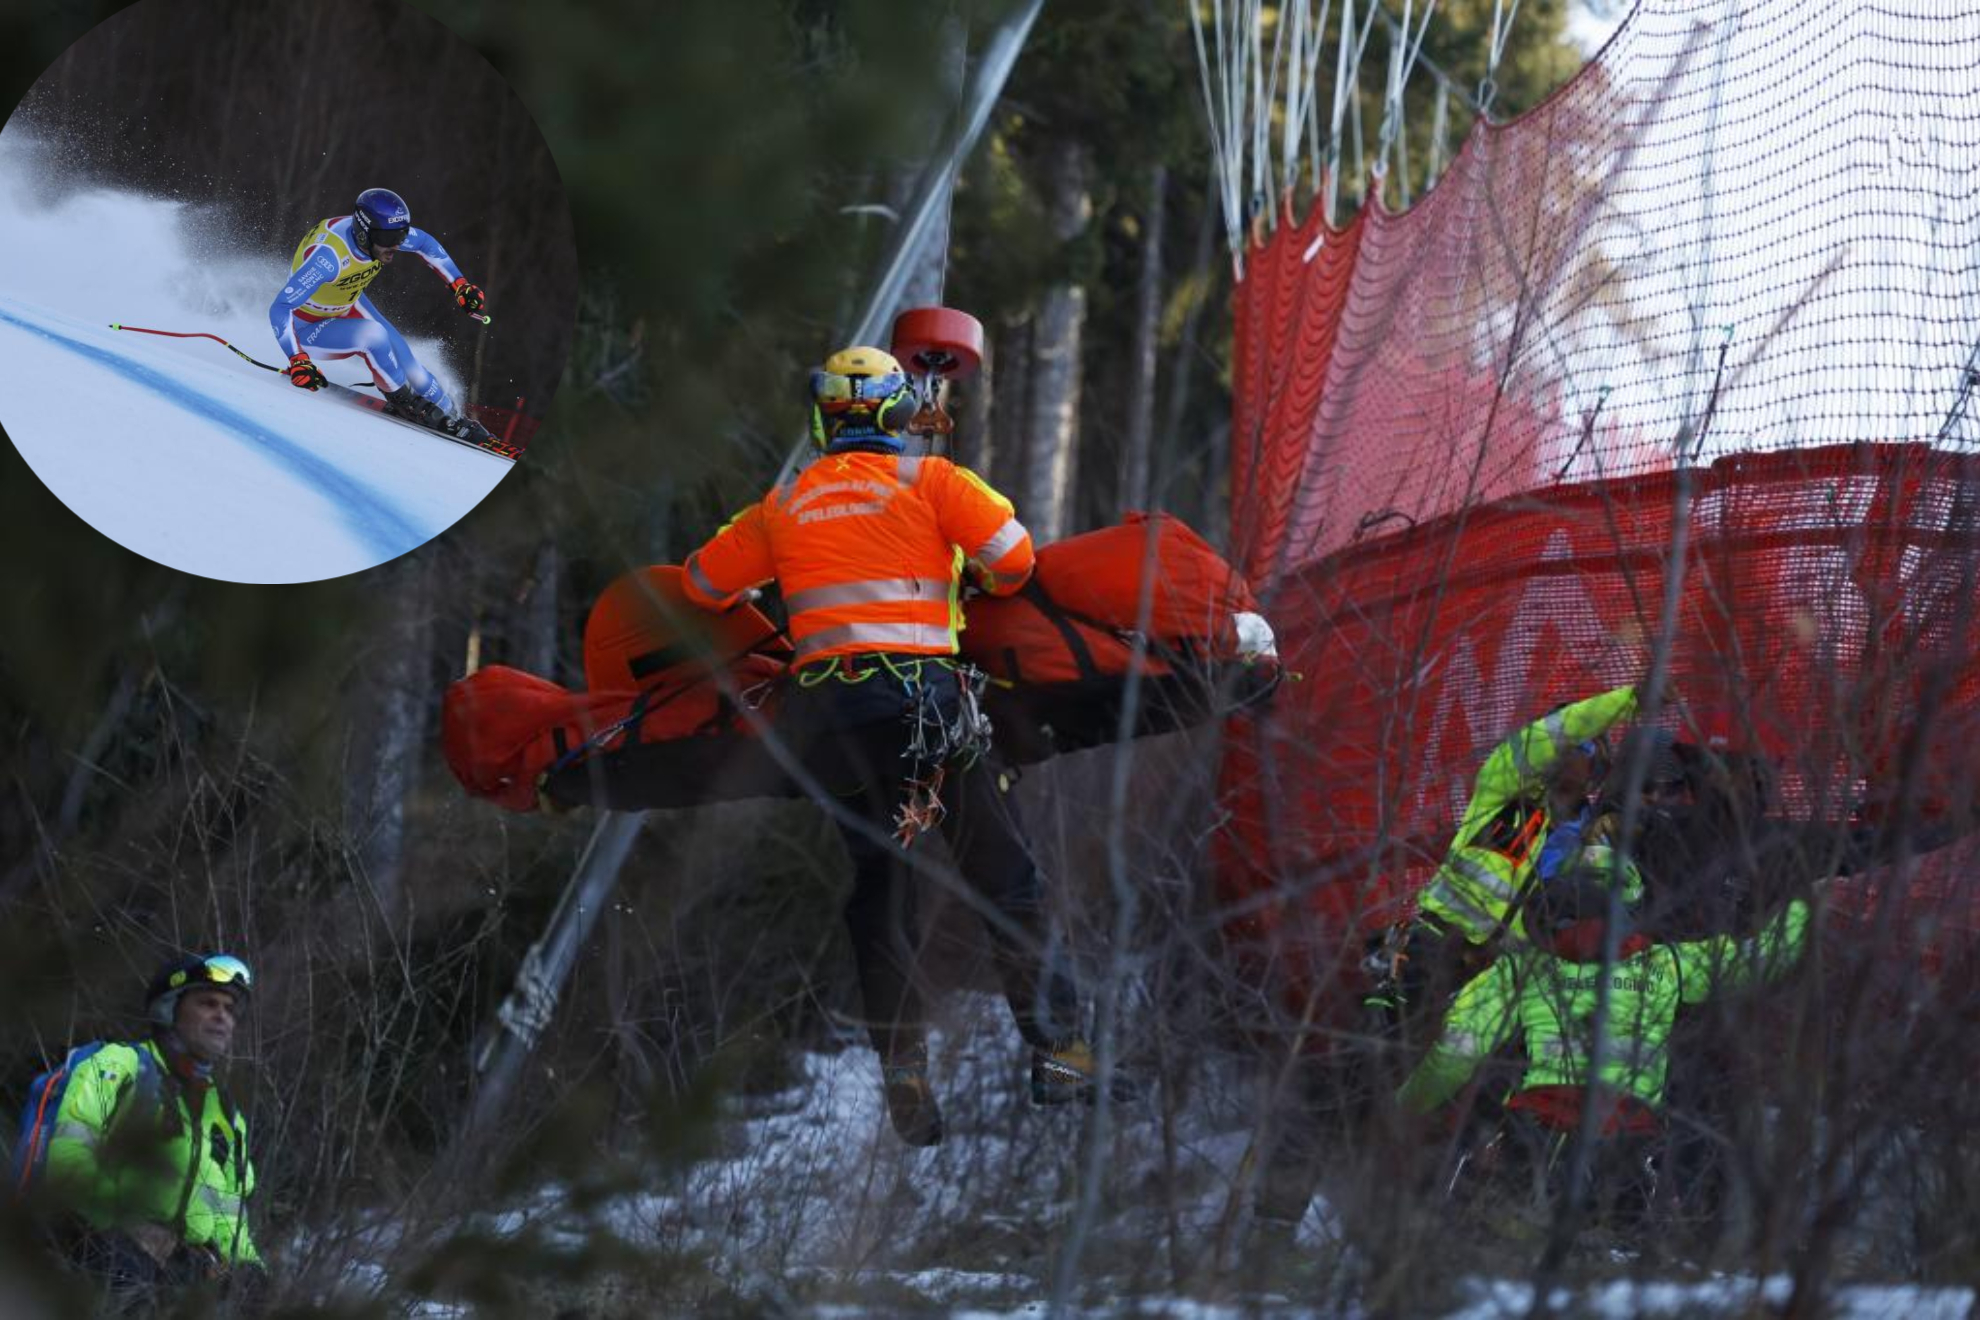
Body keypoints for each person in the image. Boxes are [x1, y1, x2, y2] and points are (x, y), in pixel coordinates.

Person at [681, 344, 1109, 1146]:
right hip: (927, 711)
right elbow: (1014, 565)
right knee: (1005, 879)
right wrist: (949, 564)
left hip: (833, 727)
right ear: (897, 415)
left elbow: (702, 585)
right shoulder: (934, 482)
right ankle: (1059, 1056)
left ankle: (904, 1073)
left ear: (823, 418)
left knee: (883, 888)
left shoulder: (785, 503)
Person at [1395, 847, 1812, 1223]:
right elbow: (1762, 960)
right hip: (1627, 1146)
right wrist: (1804, 904)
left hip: (1532, 1140)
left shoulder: (1519, 971)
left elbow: (1454, 1056)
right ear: (1632, 903)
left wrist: (1399, 1112)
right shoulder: (1666, 965)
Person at [24, 953, 263, 1309]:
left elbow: (229, 1214)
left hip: (178, 1273)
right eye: (208, 1003)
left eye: (230, 1009)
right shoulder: (120, 1067)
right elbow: (67, 1163)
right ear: (169, 1010)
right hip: (93, 1251)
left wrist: (248, 1267)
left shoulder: (225, 1116)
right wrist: (129, 1225)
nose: (222, 1017)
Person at [269, 187, 493, 444]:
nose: (396, 245)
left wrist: (460, 285)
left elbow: (424, 243)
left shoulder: (381, 234)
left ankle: (452, 416)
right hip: (307, 327)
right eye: (389, 238)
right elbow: (280, 307)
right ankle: (403, 401)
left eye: (400, 235)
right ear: (364, 234)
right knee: (374, 337)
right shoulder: (328, 259)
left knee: (410, 365)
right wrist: (298, 359)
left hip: (347, 303)